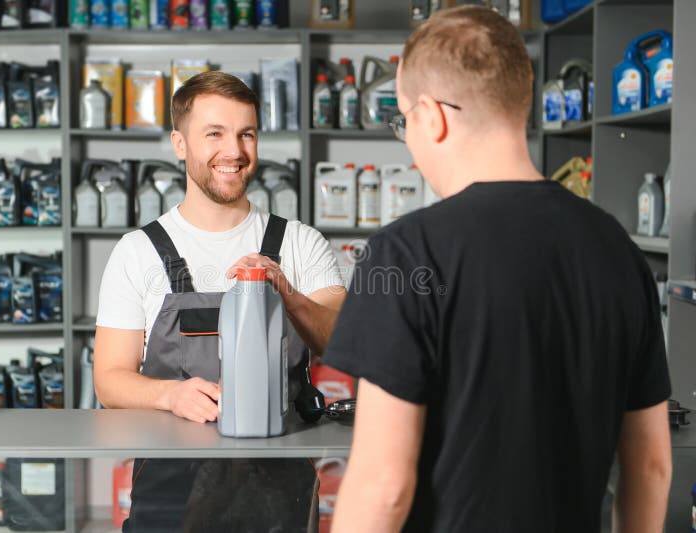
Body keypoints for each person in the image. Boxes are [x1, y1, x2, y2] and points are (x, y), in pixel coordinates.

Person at [322, 6, 672, 533]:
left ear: (432, 116)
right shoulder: (616, 248)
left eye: (403, 123)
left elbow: (383, 486)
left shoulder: (405, 252)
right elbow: (649, 464)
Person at [93, 71, 346, 531]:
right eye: (214, 133)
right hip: (170, 492)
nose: (234, 151)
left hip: (278, 492)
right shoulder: (138, 251)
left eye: (246, 134)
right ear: (179, 143)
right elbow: (109, 382)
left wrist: (288, 296)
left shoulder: (300, 243)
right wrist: (171, 394)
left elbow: (342, 341)